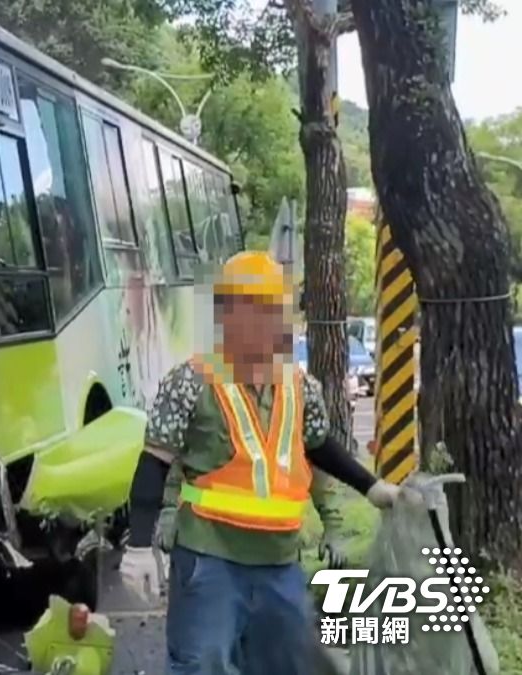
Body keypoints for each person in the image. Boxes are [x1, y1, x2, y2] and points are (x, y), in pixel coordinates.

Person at [118, 251, 407, 675]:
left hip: (280, 563)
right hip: (210, 559)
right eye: (249, 309)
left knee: (286, 665)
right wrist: (139, 546)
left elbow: (319, 446)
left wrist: (372, 487)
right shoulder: (191, 382)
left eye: (272, 310)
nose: (263, 323)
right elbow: (154, 462)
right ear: (226, 315)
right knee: (204, 665)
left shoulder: (299, 386)